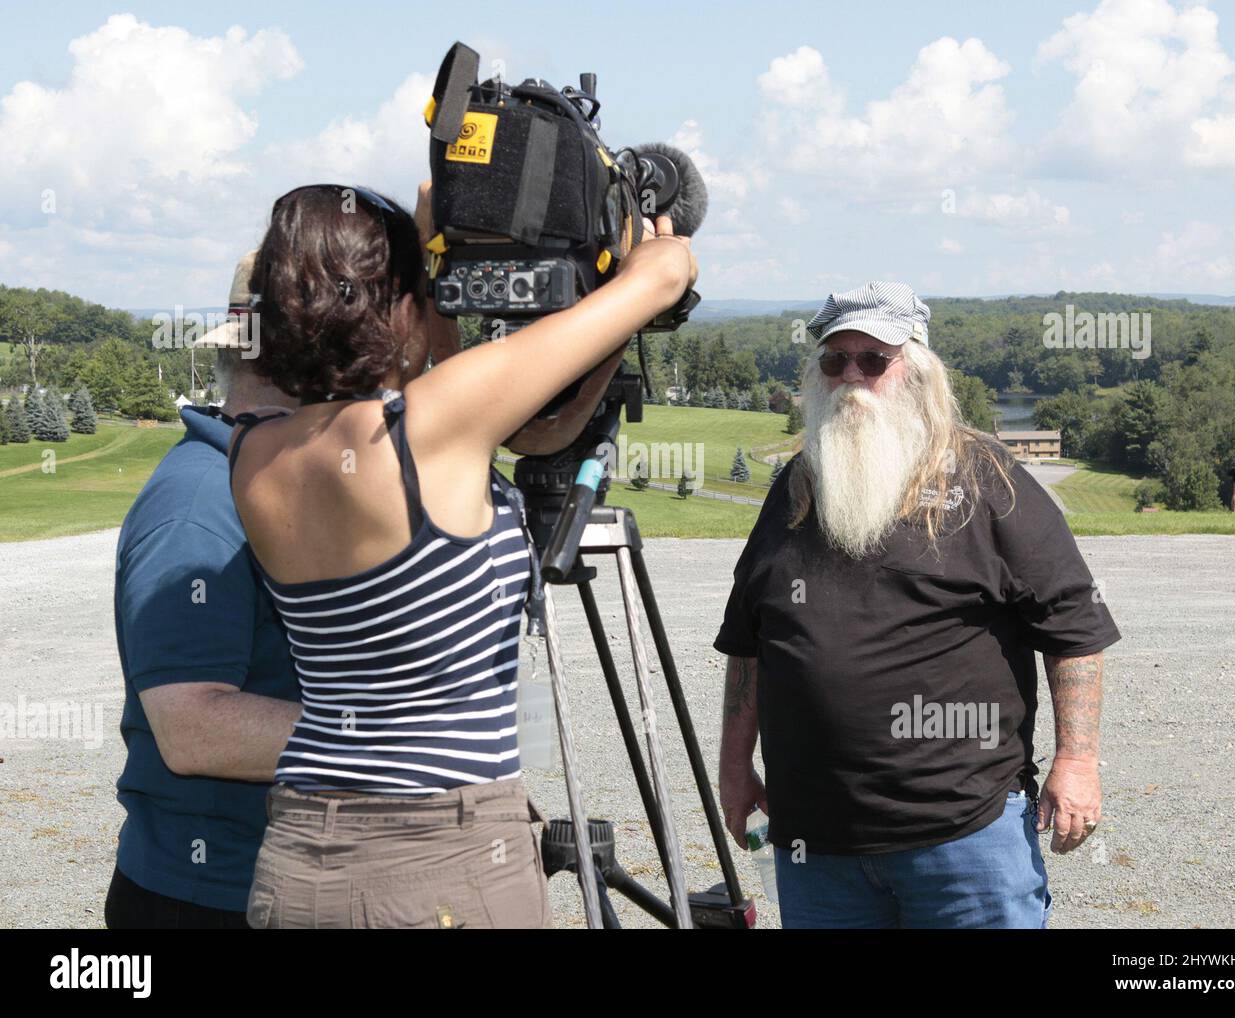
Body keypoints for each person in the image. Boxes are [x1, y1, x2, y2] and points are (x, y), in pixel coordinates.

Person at [227, 183, 695, 928]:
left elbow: (445, 391)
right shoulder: (429, 428)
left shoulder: (255, 448)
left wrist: (422, 247)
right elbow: (665, 274)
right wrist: (638, 233)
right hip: (439, 858)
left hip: (299, 857)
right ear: (403, 309)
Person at [714, 281, 1120, 929]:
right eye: (833, 361)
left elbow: (1074, 627)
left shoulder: (991, 480)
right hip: (815, 847)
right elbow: (750, 642)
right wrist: (734, 769)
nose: (852, 376)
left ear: (918, 372)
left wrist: (1077, 761)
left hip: (966, 838)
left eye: (874, 359)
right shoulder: (795, 490)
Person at [105, 252, 303, 929]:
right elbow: (191, 729)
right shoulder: (201, 500)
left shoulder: (261, 477)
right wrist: (395, 737)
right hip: (208, 900)